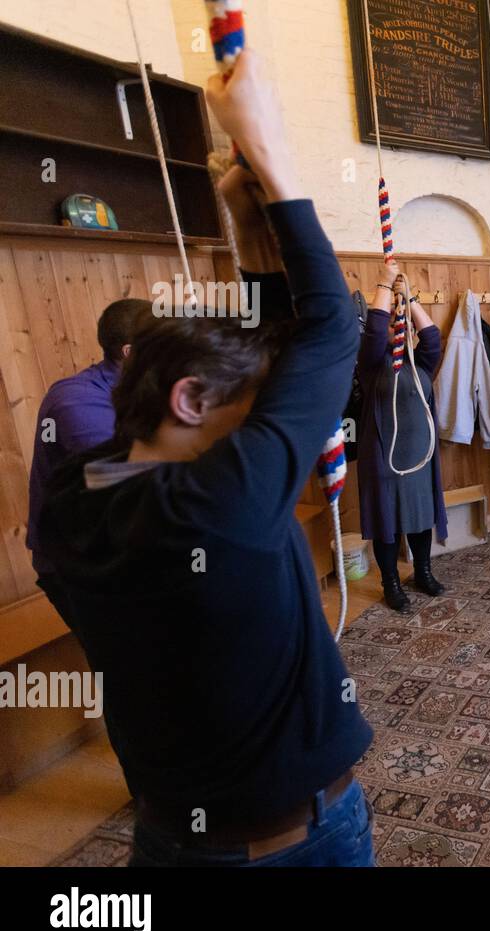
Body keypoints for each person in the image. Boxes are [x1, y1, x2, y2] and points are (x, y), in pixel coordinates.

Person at [37, 51, 373, 866]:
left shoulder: (77, 504)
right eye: (250, 408)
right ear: (189, 400)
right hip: (297, 845)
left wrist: (251, 239)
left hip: (172, 842)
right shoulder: (220, 506)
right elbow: (332, 330)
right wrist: (272, 149)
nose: (268, 420)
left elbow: (275, 358)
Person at [26, 298, 152, 625]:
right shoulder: (75, 400)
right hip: (76, 566)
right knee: (132, 669)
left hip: (122, 549)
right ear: (129, 352)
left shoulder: (145, 388)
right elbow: (131, 479)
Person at [356, 264, 446, 611]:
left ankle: (422, 572)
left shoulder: (422, 363)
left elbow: (433, 335)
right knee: (387, 523)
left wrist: (408, 299)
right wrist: (383, 282)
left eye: (404, 325)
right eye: (396, 325)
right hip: (382, 457)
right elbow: (375, 331)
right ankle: (390, 583)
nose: (400, 329)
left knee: (421, 517)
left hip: (419, 455)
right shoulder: (371, 365)